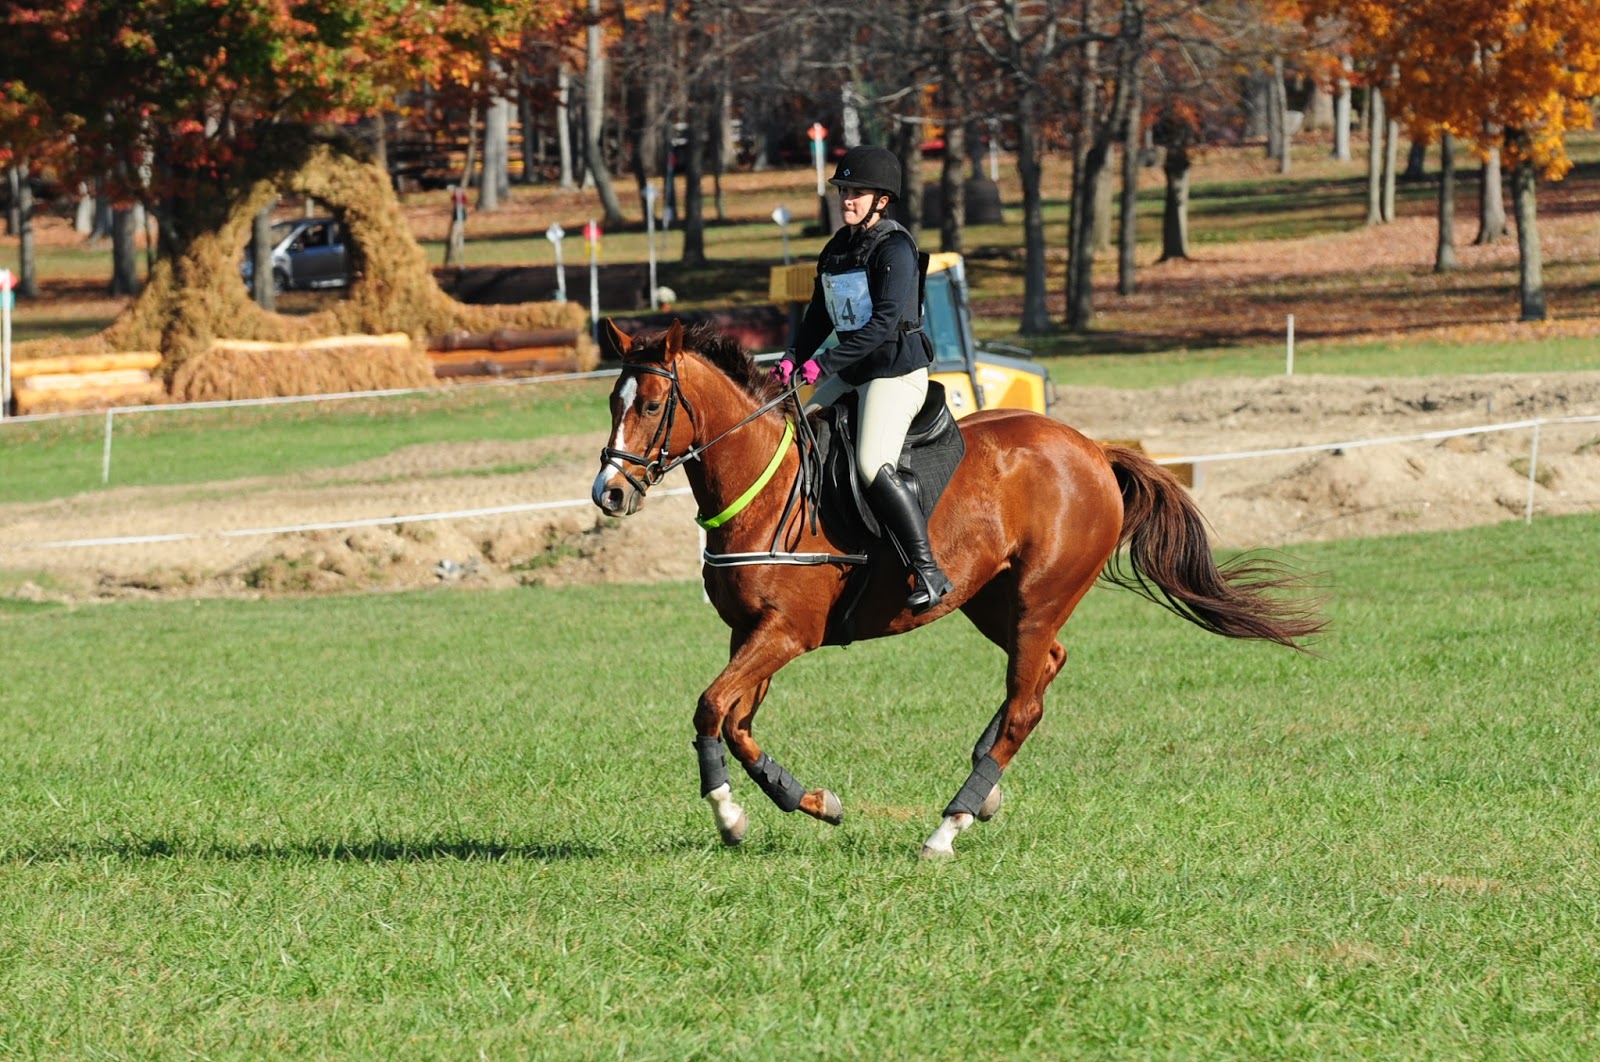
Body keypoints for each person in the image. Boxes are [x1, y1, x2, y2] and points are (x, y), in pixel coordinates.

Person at [772, 144, 954, 615]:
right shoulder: (837, 248)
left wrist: (824, 365)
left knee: (873, 462)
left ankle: (927, 568)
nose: (847, 199)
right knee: (796, 440)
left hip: (896, 373)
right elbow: (818, 316)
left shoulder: (895, 247)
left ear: (882, 200)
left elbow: (885, 324)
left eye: (857, 192)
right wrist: (794, 358)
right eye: (844, 191)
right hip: (854, 372)